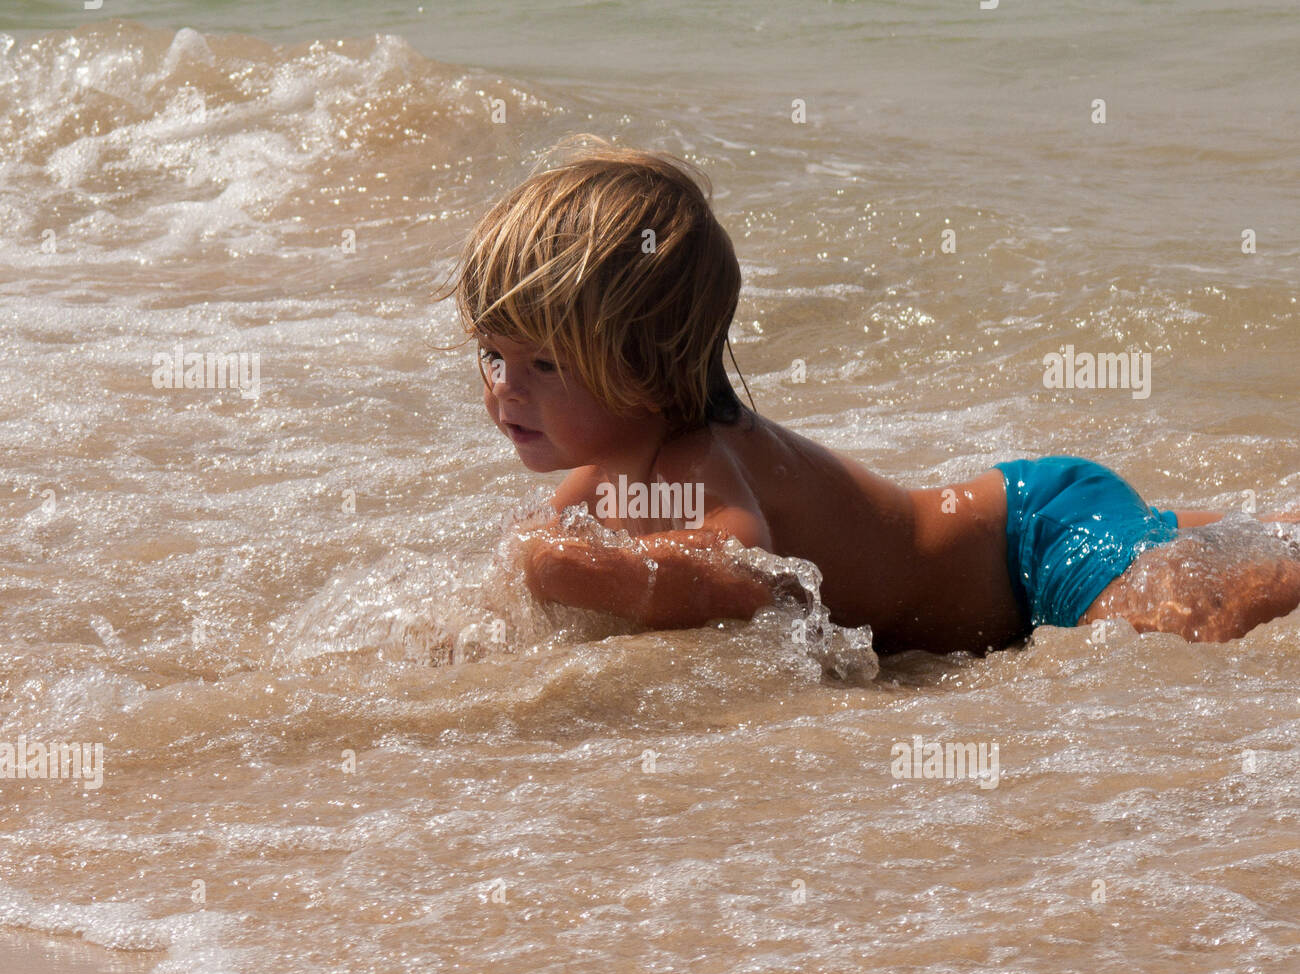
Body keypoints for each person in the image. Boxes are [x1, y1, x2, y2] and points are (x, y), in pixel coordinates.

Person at [440, 137, 1300, 654]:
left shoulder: (699, 460)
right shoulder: (602, 481)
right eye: (491, 354)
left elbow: (742, 576)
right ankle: (1253, 527)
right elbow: (521, 590)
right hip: (1026, 521)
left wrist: (586, 569)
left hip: (1032, 549)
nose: (503, 389)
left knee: (1171, 628)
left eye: (542, 365)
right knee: (1163, 544)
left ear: (646, 361)